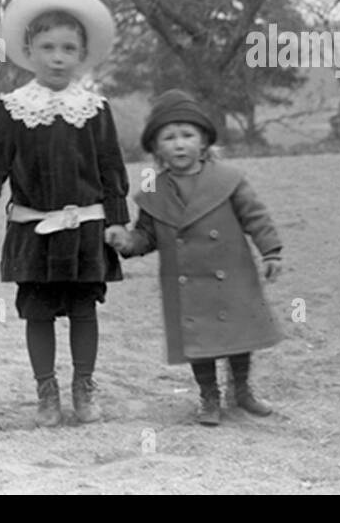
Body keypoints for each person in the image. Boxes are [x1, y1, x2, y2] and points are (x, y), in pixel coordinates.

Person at [0, 0, 130, 427]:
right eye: (48, 47)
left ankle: (84, 386)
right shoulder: (14, 109)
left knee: (82, 309)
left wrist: (117, 222)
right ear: (29, 51)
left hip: (86, 230)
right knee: (37, 312)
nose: (58, 57)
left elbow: (112, 169)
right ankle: (46, 392)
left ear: (82, 54)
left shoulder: (94, 109)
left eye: (68, 48)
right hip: (33, 230)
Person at [107, 90, 283, 426]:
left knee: (238, 334)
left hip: (231, 275)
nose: (179, 144)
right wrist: (126, 241)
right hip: (186, 283)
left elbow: (256, 217)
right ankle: (208, 396)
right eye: (169, 138)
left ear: (203, 142)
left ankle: (241, 390)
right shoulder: (154, 193)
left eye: (187, 135)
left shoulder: (229, 180)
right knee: (198, 340)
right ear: (157, 149)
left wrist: (271, 252)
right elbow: (147, 236)